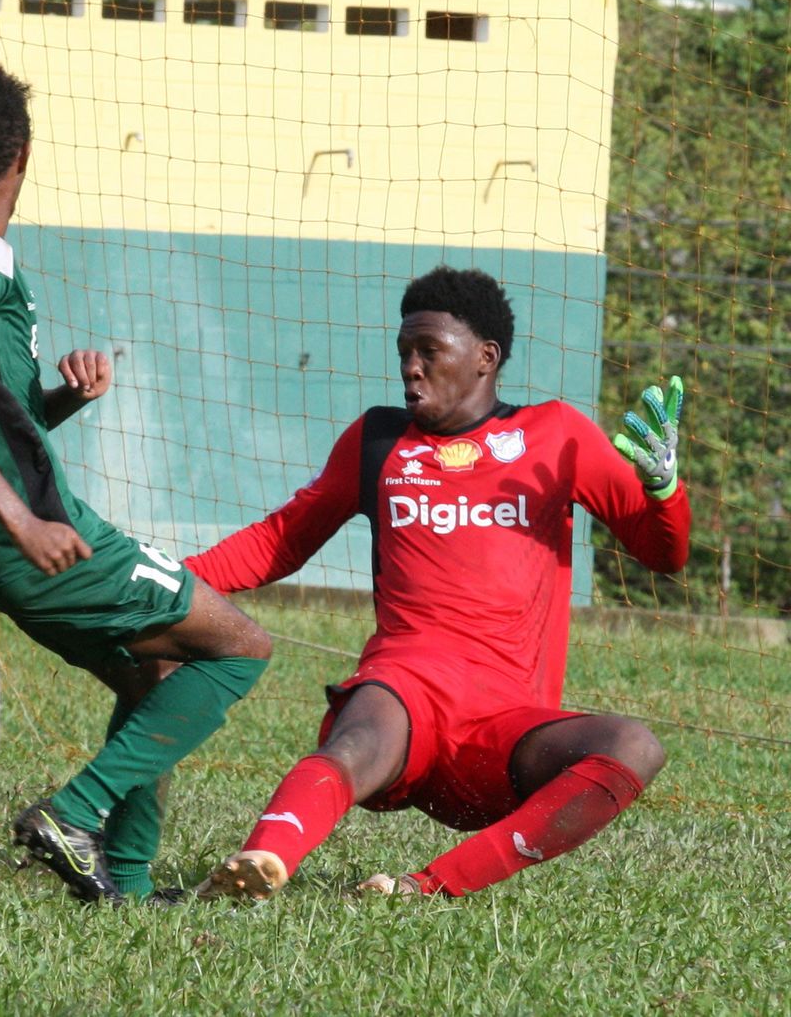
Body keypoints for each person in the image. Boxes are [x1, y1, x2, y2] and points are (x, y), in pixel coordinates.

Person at [0, 66, 271, 905]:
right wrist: (25, 522)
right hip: (15, 527)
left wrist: (60, 399)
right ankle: (74, 810)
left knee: (148, 672)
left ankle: (123, 883)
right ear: (19, 154)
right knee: (239, 646)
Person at [190, 265, 690, 902]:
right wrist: (169, 584)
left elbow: (662, 553)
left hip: (504, 730)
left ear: (486, 358)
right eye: (405, 352)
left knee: (635, 746)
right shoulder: (379, 441)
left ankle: (427, 888)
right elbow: (281, 540)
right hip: (405, 694)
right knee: (358, 736)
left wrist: (664, 490)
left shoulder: (556, 434)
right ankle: (261, 861)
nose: (411, 368)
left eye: (429, 352)